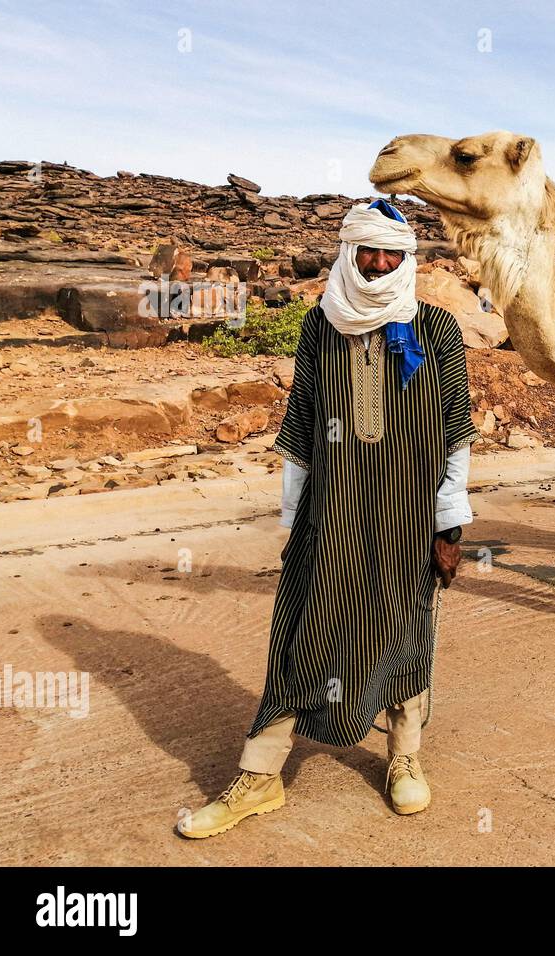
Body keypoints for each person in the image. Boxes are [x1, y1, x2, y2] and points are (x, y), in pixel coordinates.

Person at [179, 199, 477, 838]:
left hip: (408, 516)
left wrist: (449, 529)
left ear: (406, 258)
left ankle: (403, 758)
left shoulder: (437, 330)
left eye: (389, 252)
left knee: (404, 635)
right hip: (332, 513)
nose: (376, 263)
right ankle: (260, 778)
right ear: (348, 252)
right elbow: (302, 431)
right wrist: (295, 520)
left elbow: (456, 435)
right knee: (303, 633)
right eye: (366, 250)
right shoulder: (320, 326)